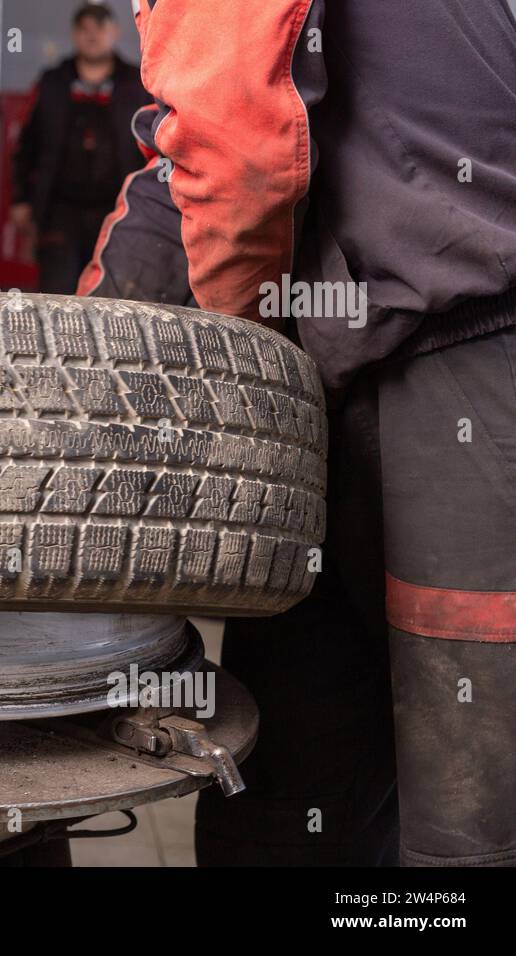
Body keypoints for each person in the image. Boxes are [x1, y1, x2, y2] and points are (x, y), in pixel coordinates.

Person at [80, 0, 516, 867]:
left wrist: (241, 362)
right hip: (392, 353)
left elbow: (235, 149)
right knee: (317, 791)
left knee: (463, 818)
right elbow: (187, 168)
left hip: (452, 360)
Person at [9, 4, 150, 295]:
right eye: (84, 28)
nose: (92, 35)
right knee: (58, 294)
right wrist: (20, 200)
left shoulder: (136, 84)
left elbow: (153, 145)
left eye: (100, 27)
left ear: (115, 32)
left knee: (115, 294)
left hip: (120, 210)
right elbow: (27, 145)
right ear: (74, 34)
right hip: (60, 212)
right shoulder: (53, 83)